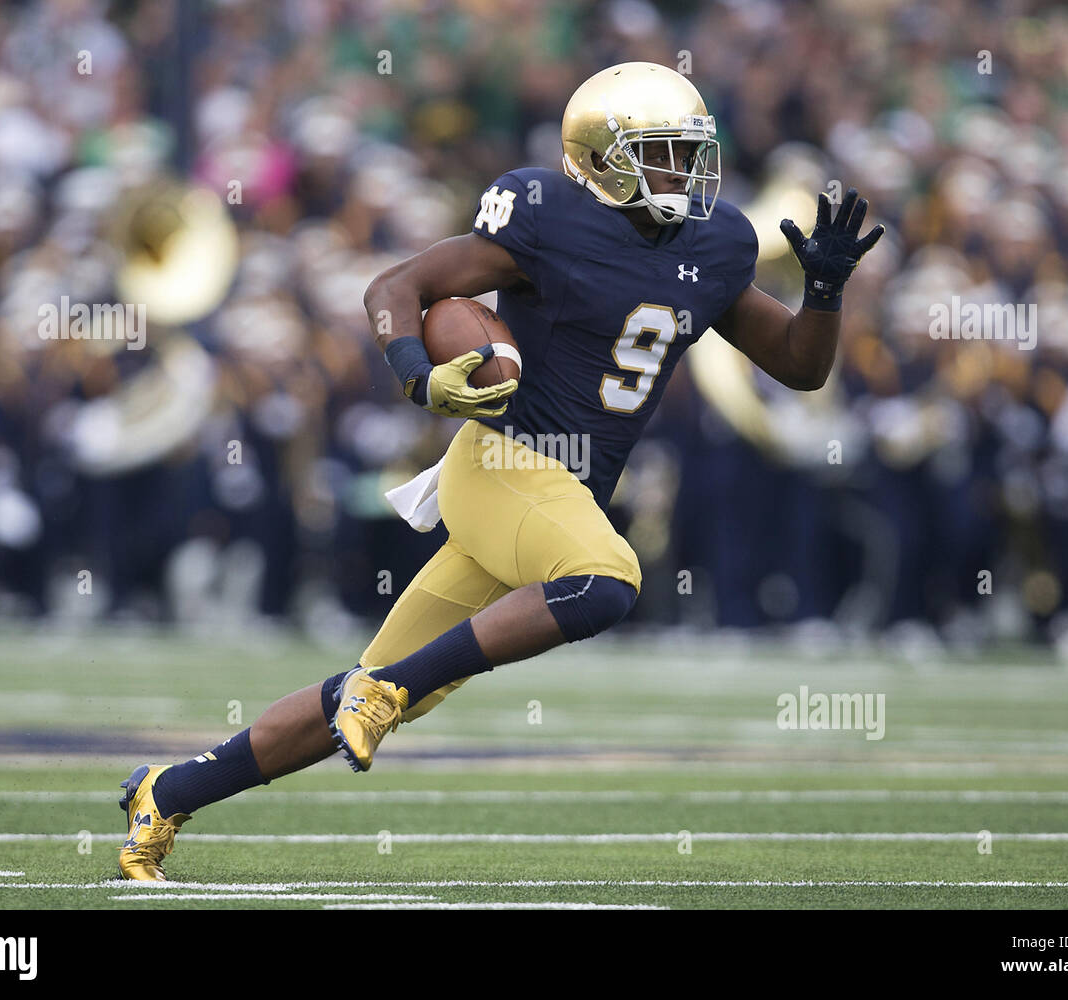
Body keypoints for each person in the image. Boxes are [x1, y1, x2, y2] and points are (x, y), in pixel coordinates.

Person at [117, 61, 884, 880]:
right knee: (607, 579)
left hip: (557, 494)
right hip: (504, 462)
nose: (684, 172)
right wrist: (419, 374)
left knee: (370, 684)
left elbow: (800, 368)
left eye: (691, 153)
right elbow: (398, 284)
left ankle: (168, 791)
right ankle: (385, 696)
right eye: (662, 152)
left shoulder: (719, 243)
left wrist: (827, 290)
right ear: (601, 156)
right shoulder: (547, 215)